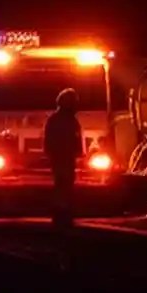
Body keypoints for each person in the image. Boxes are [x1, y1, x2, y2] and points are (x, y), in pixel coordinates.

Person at [43, 88, 83, 228]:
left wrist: (49, 152)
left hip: (60, 156)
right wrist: (78, 152)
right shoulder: (70, 120)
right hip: (64, 156)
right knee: (65, 183)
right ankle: (63, 211)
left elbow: (48, 139)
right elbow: (76, 137)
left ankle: (61, 210)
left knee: (61, 183)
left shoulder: (54, 119)